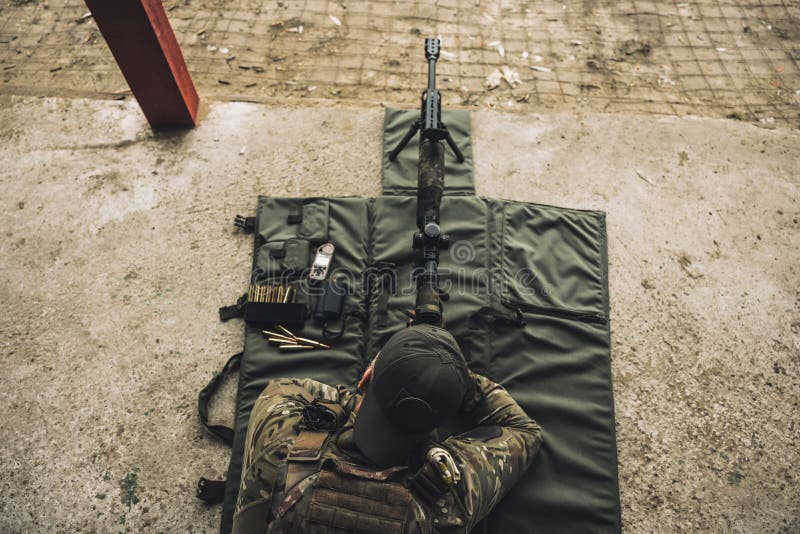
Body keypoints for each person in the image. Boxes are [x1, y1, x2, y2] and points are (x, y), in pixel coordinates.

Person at [232, 323, 542, 533]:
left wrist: (372, 389)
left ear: (366, 378)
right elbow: (522, 429)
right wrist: (453, 381)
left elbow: (288, 389)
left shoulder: (280, 444)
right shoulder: (447, 502)